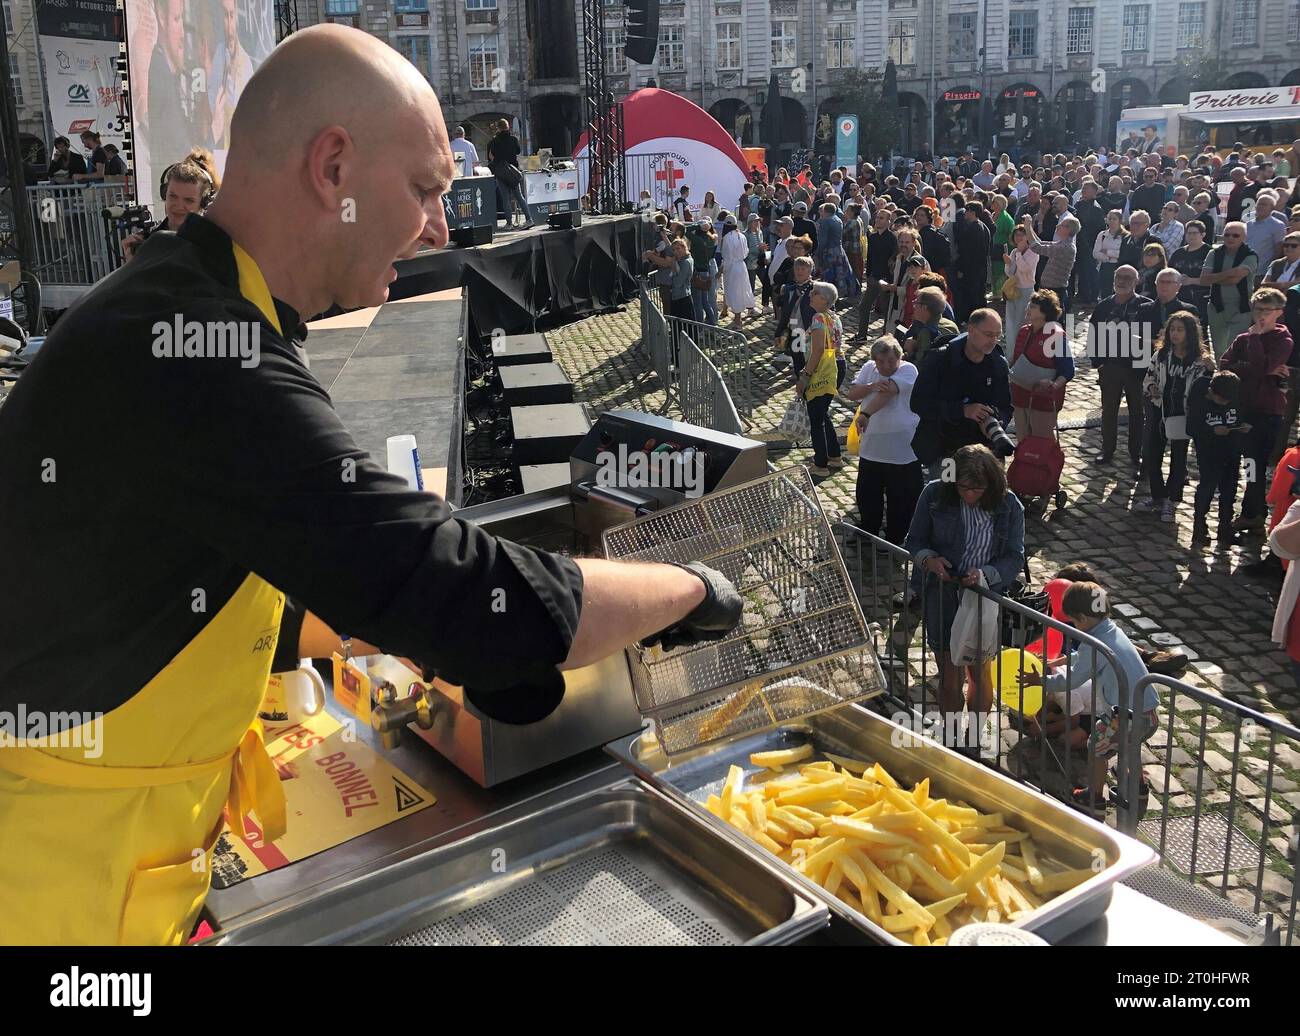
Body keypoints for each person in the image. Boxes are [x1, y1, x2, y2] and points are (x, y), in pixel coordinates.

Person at [0, 24, 744, 945]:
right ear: (334, 168)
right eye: (426, 189)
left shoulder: (193, 304)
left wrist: (383, 628)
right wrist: (694, 588)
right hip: (55, 896)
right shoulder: (199, 350)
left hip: (119, 867)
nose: (441, 224)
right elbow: (457, 587)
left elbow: (205, 592)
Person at [904, 445, 1026, 743]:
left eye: (977, 489)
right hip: (942, 594)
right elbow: (914, 540)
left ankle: (974, 734)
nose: (969, 494)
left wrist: (987, 575)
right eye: (963, 487)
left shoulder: (1009, 506)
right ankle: (952, 735)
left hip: (983, 598)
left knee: (979, 670)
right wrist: (929, 560)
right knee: (948, 670)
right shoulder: (934, 495)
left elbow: (1014, 556)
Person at [1019, 582, 1159, 816]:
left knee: (1096, 749)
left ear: (1083, 618)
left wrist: (1040, 680)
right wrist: (1062, 660)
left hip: (1124, 716)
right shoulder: (1112, 630)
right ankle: (1137, 788)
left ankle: (1092, 798)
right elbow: (1083, 657)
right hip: (1148, 712)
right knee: (1129, 748)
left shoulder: (1093, 645)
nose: (1073, 626)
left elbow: (1070, 681)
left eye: (1073, 621)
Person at [1218, 288, 1295, 535]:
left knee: (1255, 464)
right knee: (1245, 463)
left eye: (1267, 310)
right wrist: (1255, 368)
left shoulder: (1282, 341)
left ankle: (1253, 512)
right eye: (1258, 309)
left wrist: (1256, 345)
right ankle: (1253, 509)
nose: (1261, 315)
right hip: (1243, 408)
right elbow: (1225, 366)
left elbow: (1262, 366)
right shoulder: (1243, 338)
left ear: (1278, 313)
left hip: (1266, 412)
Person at [909, 309, 1013, 473]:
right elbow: (918, 403)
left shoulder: (997, 364)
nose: (993, 340)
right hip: (945, 450)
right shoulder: (940, 360)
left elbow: (1007, 406)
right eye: (988, 334)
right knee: (946, 495)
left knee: (984, 496)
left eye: (997, 335)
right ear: (971, 330)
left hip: (984, 451)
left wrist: (995, 419)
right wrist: (961, 410)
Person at [1140, 311, 1215, 524]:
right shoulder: (1162, 355)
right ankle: (1157, 496)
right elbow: (1149, 377)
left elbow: (1207, 387)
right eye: (1172, 329)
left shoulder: (1200, 361)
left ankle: (1172, 500)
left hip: (1184, 414)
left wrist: (1212, 369)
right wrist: (1152, 387)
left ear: (1189, 333)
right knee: (1152, 453)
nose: (1175, 334)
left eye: (1180, 330)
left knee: (1178, 458)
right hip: (1160, 411)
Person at [847, 337, 922, 544]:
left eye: (891, 361)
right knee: (867, 494)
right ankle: (868, 531)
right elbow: (853, 393)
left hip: (901, 447)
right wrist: (871, 385)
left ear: (899, 358)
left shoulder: (908, 370)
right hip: (872, 446)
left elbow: (888, 392)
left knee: (901, 497)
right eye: (881, 362)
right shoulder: (869, 368)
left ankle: (894, 538)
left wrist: (866, 414)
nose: (886, 366)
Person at [1090, 265, 1157, 467]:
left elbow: (1155, 338)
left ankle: (1136, 453)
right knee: (1109, 411)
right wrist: (1098, 363)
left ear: (1136, 281)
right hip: (1111, 367)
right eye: (1118, 277)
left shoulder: (1146, 306)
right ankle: (1107, 449)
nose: (1122, 281)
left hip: (1137, 369)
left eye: (1128, 277)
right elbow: (1094, 333)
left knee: (1137, 413)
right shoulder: (1103, 306)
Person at [121, 147, 222, 261]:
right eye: (173, 196)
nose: (179, 206)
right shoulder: (149, 241)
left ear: (204, 202)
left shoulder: (215, 244)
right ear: (164, 194)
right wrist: (131, 264)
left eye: (189, 200)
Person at [1188, 371, 1250, 546]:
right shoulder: (1200, 401)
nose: (1224, 403)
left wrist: (1242, 426)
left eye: (1227, 400)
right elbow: (1191, 428)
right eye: (1220, 399)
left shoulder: (1234, 399)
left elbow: (1240, 416)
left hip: (1231, 451)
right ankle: (1199, 526)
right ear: (1211, 392)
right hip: (1209, 452)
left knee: (1229, 490)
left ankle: (1225, 527)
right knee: (1207, 487)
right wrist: (1212, 431)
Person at [1008, 289, 1074, 439]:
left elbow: (1068, 369)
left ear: (1045, 313)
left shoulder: (1055, 335)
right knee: (1023, 439)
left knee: (1041, 441)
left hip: (1043, 399)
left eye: (1033, 307)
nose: (1027, 309)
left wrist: (1053, 385)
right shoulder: (1024, 331)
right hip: (1020, 395)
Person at [796, 282, 846, 476]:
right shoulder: (834, 316)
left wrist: (805, 375)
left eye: (814, 293)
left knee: (816, 417)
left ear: (824, 299)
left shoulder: (818, 318)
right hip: (838, 365)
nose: (810, 295)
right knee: (823, 412)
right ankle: (834, 456)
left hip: (822, 368)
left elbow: (817, 350)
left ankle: (821, 464)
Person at [1202, 221, 1259, 358]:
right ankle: (1220, 376)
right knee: (1218, 349)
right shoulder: (1214, 253)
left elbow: (1235, 280)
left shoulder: (1250, 255)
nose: (1230, 238)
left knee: (1235, 347)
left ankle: (1233, 376)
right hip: (1217, 307)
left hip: (1241, 308)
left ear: (1244, 237)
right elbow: (1204, 279)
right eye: (1227, 235)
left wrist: (1215, 277)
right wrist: (1230, 273)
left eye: (1235, 235)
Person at [1024, 212, 1078, 313]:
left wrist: (1027, 228)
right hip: (1050, 289)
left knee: (1053, 322)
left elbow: (1036, 247)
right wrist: (1030, 227)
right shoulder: (1062, 243)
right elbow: (1039, 242)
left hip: (1055, 290)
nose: (1057, 226)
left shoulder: (1065, 247)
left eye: (1061, 225)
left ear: (1068, 230)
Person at [856, 209, 897, 340]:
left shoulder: (892, 238)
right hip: (873, 278)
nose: (878, 220)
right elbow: (870, 257)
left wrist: (889, 280)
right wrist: (868, 274)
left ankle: (886, 338)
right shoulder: (872, 237)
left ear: (888, 221)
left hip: (886, 280)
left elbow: (893, 260)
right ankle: (862, 335)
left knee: (886, 311)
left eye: (882, 218)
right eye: (878, 217)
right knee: (864, 307)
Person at [882, 227, 929, 333]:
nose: (903, 244)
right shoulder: (899, 258)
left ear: (913, 243)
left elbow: (923, 288)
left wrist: (896, 289)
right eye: (901, 242)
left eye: (907, 242)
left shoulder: (921, 263)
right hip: (895, 305)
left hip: (910, 309)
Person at [775, 254, 816, 373]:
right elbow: (784, 314)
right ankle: (798, 375)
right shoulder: (789, 289)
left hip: (809, 329)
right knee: (796, 355)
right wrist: (779, 332)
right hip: (795, 328)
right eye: (797, 268)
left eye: (803, 269)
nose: (799, 271)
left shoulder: (815, 289)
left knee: (808, 355)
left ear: (809, 271)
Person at [953, 200, 992, 323]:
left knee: (971, 296)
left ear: (972, 212)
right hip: (980, 269)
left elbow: (966, 252)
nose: (965, 213)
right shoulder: (983, 226)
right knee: (979, 295)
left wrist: (961, 269)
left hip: (971, 270)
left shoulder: (971, 229)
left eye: (967, 210)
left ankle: (973, 320)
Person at [487, 119, 529, 228]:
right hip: (513, 171)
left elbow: (491, 156)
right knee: (519, 197)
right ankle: (529, 219)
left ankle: (509, 223)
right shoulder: (513, 139)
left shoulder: (495, 141)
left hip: (501, 172)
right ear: (508, 126)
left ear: (499, 128)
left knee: (505, 199)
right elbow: (518, 151)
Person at [900, 286, 958, 364]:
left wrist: (909, 352)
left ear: (924, 307)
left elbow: (920, 366)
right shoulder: (951, 324)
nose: (914, 305)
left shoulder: (926, 333)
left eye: (916, 302)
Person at [815, 201, 859, 299]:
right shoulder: (838, 220)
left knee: (829, 274)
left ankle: (828, 296)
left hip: (829, 251)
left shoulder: (825, 221)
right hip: (839, 250)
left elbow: (823, 240)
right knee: (841, 273)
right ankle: (846, 291)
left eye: (821, 211)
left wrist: (818, 253)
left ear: (825, 211)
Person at [1169, 220, 1211, 321]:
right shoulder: (1178, 253)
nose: (1191, 236)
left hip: (1201, 298)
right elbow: (1169, 271)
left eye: (1195, 233)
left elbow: (1216, 278)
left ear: (1203, 234)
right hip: (1180, 297)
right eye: (1189, 233)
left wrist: (1192, 280)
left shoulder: (1210, 253)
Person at [719, 215, 758, 325]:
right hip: (741, 266)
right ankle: (726, 309)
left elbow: (726, 256)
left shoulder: (726, 238)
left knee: (734, 291)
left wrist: (721, 270)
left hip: (731, 268)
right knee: (740, 289)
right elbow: (746, 252)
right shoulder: (742, 236)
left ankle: (737, 320)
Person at [1073, 181, 1107, 304]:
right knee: (1081, 272)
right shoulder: (1079, 204)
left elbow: (1101, 230)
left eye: (1086, 188)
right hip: (1078, 244)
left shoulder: (1096, 208)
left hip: (1090, 245)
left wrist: (1096, 246)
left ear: (1094, 192)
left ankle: (1091, 298)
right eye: (1082, 188)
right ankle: (1081, 294)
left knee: (1090, 272)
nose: (1083, 191)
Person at [685, 219, 719, 325]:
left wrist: (697, 226)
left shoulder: (698, 240)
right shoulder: (711, 239)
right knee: (705, 301)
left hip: (697, 272)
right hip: (706, 271)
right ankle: (713, 323)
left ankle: (699, 327)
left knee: (697, 303)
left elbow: (686, 230)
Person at [1246, 191, 1288, 270]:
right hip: (1244, 269)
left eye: (1264, 204)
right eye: (1259, 204)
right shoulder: (1248, 224)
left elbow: (1278, 250)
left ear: (1272, 208)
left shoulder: (1278, 225)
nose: (1260, 207)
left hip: (1262, 270)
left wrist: (1271, 270)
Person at [1092, 209, 1126, 299]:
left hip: (1119, 267)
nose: (1111, 221)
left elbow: (1123, 254)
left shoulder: (1125, 236)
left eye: (1114, 219)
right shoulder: (1102, 235)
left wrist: (1107, 251)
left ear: (1120, 221)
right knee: (1105, 293)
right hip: (1105, 267)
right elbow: (1095, 253)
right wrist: (1109, 258)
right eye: (1109, 218)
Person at [743, 212, 771, 312]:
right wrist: (757, 247)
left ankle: (765, 305)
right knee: (751, 285)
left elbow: (761, 246)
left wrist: (764, 252)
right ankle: (750, 308)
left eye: (758, 221)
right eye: (755, 221)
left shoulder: (760, 232)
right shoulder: (745, 235)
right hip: (750, 264)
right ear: (750, 223)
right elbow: (745, 250)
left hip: (760, 262)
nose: (757, 223)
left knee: (766, 282)